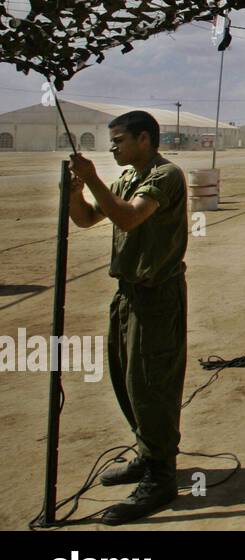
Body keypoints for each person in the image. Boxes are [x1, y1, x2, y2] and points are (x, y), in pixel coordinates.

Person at [66, 110, 188, 525]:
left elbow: (129, 217)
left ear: (144, 139)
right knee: (126, 379)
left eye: (119, 140)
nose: (113, 147)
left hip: (157, 296)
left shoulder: (165, 175)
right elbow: (87, 219)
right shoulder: (127, 179)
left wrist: (95, 180)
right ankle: (147, 453)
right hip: (128, 294)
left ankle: (161, 475)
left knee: (151, 383)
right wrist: (75, 191)